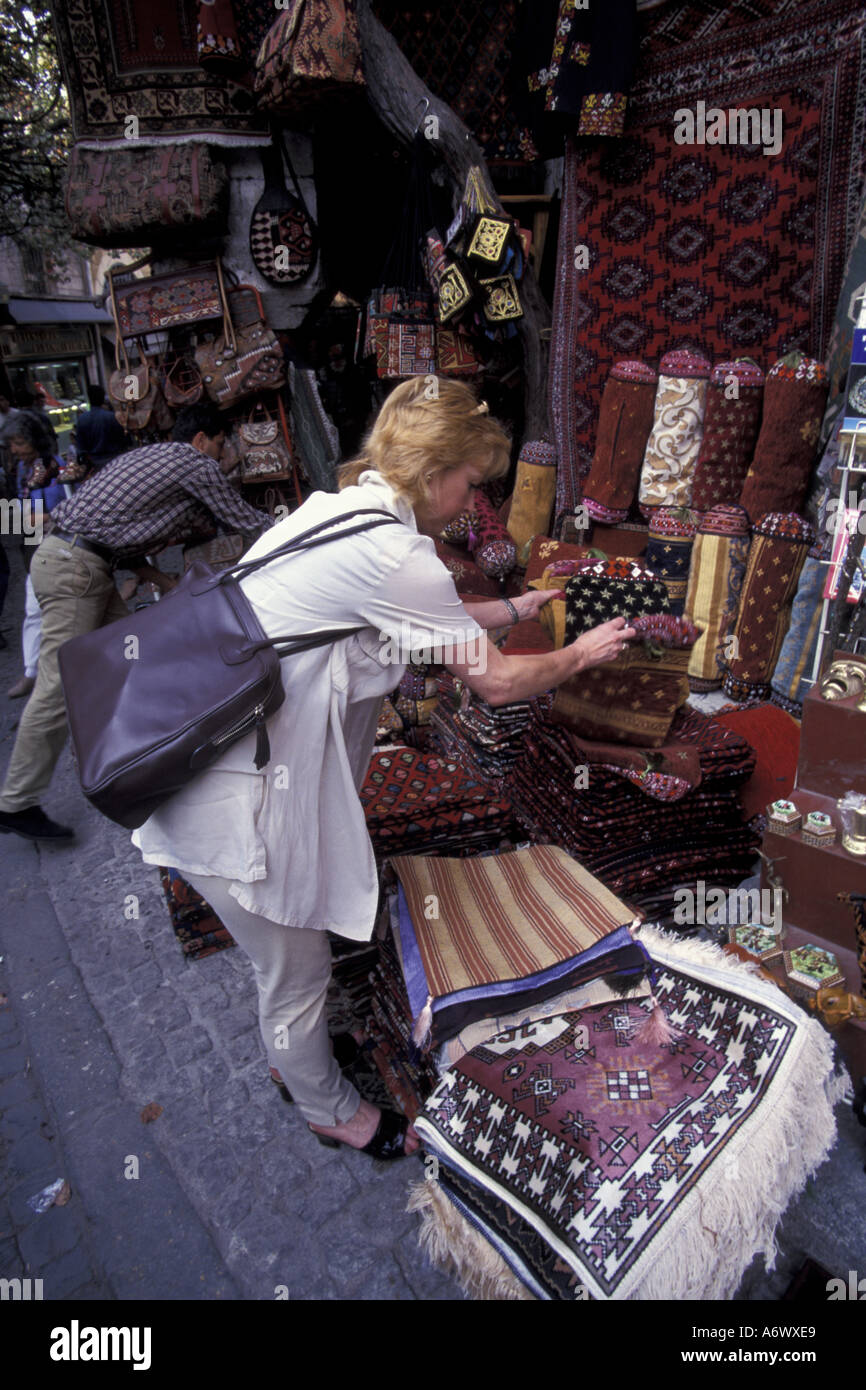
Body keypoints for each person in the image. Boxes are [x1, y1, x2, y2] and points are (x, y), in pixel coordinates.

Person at [130, 379, 636, 1162]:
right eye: (471, 481)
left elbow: (405, 612)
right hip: (240, 805)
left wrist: (510, 610)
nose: (473, 502)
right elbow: (496, 681)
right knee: (295, 973)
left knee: (284, 960)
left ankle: (289, 1060)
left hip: (215, 765)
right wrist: (579, 653)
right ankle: (333, 1111)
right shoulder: (400, 554)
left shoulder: (331, 516)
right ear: (435, 470)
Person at [0, 402, 270, 843]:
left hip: (78, 563)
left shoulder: (156, 457)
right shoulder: (192, 461)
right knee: (57, 687)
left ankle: (147, 763)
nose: (222, 455)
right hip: (76, 568)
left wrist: (164, 580)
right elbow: (245, 520)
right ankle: (16, 802)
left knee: (133, 661)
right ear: (201, 439)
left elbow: (119, 542)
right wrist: (299, 533)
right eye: (221, 445)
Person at [74, 383, 129, 474]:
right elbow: (122, 440)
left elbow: (81, 447)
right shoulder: (112, 417)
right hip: (114, 462)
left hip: (95, 464)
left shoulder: (82, 420)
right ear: (103, 398)